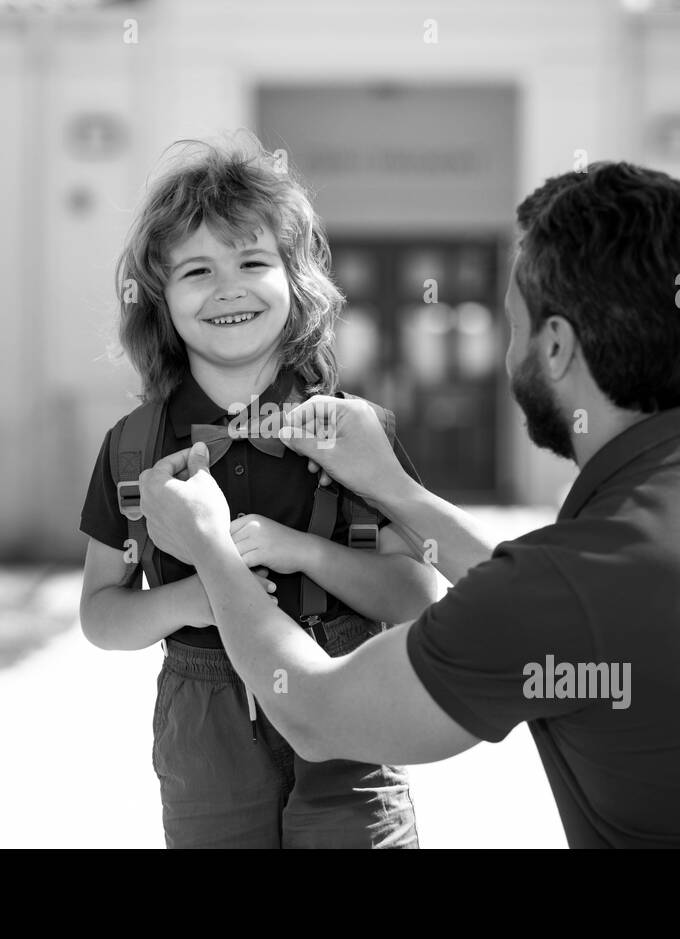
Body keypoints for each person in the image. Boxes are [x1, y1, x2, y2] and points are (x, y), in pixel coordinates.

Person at [138, 161, 680, 848]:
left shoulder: (562, 591)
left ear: (554, 347)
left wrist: (210, 546)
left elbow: (312, 710)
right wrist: (396, 490)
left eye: (512, 323)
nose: (504, 351)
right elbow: (576, 605)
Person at [77, 137, 434, 848]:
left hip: (347, 705)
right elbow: (99, 614)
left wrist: (302, 551)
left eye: (252, 261)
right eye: (197, 270)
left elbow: (417, 597)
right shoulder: (132, 446)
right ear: (160, 300)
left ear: (297, 283)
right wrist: (192, 599)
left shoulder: (357, 431)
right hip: (205, 727)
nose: (227, 287)